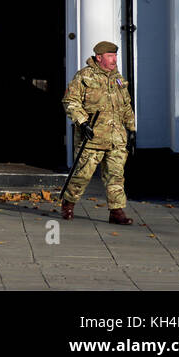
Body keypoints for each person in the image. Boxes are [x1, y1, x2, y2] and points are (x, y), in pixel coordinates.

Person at [60, 39, 136, 224]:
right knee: (82, 174)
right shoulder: (84, 77)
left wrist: (132, 129)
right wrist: (83, 123)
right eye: (110, 56)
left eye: (115, 56)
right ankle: (68, 203)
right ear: (99, 57)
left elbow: (126, 105)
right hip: (92, 136)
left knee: (116, 175)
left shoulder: (118, 78)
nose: (114, 59)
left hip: (116, 137)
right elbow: (70, 101)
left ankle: (117, 211)